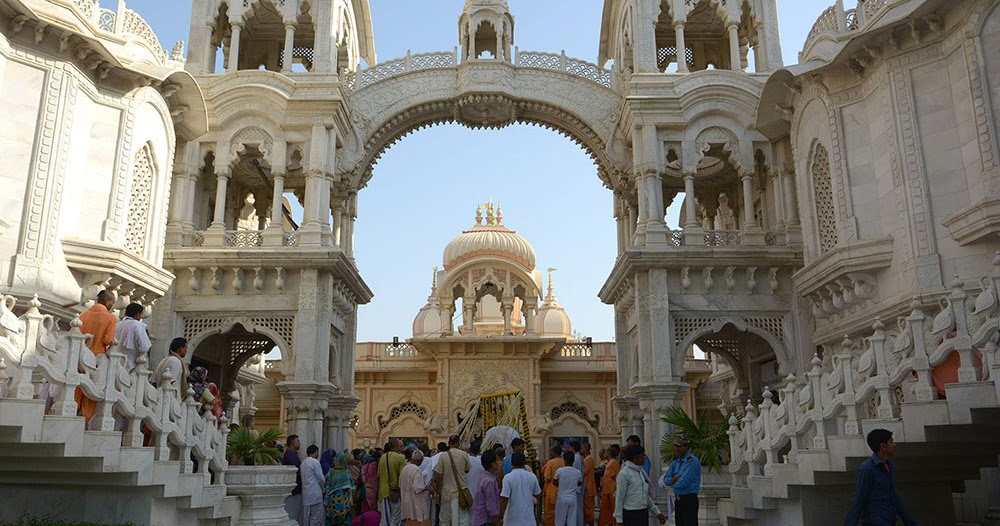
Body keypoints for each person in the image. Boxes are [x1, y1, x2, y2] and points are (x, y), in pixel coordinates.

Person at [843, 429, 919, 526]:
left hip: (889, 520)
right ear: (883, 446)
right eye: (891, 441)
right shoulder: (867, 469)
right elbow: (859, 500)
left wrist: (909, 521)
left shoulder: (890, 466)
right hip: (873, 521)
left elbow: (894, 496)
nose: (894, 445)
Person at [74, 290, 117, 426]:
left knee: (76, 386)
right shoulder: (110, 318)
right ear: (108, 302)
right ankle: (85, 420)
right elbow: (109, 339)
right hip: (96, 358)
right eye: (112, 303)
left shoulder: (84, 314)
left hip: (80, 356)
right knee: (91, 391)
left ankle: (72, 413)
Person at [613, 445, 665, 526]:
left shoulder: (640, 472)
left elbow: (645, 496)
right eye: (643, 455)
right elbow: (620, 496)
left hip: (643, 513)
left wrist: (657, 512)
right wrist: (619, 519)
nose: (644, 457)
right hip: (631, 514)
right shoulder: (624, 473)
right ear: (636, 458)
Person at [662, 435, 701, 526]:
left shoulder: (692, 461)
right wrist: (673, 479)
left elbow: (683, 483)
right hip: (678, 499)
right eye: (675, 446)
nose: (676, 448)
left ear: (686, 447)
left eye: (679, 446)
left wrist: (671, 482)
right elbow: (665, 479)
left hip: (689, 499)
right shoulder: (676, 461)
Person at [434, 434, 472, 526]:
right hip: (461, 493)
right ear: (458, 443)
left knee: (445, 519)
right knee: (463, 519)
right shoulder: (464, 455)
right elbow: (467, 470)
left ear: (449, 443)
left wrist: (438, 493)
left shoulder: (443, 456)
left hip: (446, 493)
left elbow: (439, 476)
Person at [499, 451, 541, 525]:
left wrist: (500, 516)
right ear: (524, 462)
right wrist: (538, 516)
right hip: (528, 519)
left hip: (512, 519)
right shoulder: (532, 476)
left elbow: (504, 499)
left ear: (512, 463)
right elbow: (538, 495)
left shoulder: (508, 478)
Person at [116, 302, 151, 373]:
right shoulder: (138, 325)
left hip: (115, 361)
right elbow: (145, 347)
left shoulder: (117, 325)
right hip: (131, 365)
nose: (141, 317)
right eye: (141, 314)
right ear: (138, 314)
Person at [378, 438, 406, 526]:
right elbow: (402, 476)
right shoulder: (401, 458)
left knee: (385, 518)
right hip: (394, 492)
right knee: (395, 517)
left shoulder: (383, 457)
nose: (402, 448)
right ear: (397, 446)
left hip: (383, 492)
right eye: (401, 446)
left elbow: (378, 474)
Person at [400, 449, 429, 526]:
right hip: (416, 502)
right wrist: (427, 488)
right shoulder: (416, 470)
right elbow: (418, 488)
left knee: (408, 522)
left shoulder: (404, 468)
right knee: (419, 521)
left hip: (406, 501)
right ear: (420, 459)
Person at [472, 450, 501, 526]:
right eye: (496, 461)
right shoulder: (489, 481)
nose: (498, 463)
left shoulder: (485, 477)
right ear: (493, 464)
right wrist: (497, 522)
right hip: (486, 520)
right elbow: (491, 505)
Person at [326, 451, 356, 525]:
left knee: (332, 520)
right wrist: (351, 501)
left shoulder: (331, 471)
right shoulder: (347, 473)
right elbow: (351, 488)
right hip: (344, 501)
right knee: (344, 520)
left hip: (332, 501)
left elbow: (326, 484)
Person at [554, 451, 582, 526]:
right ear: (573, 461)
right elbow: (580, 483)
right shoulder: (578, 472)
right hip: (572, 497)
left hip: (562, 497)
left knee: (559, 520)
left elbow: (554, 481)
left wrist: (562, 485)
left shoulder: (560, 471)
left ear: (564, 460)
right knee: (572, 520)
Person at [301, 445, 326, 526]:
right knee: (316, 518)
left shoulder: (303, 463)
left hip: (306, 495)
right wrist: (324, 489)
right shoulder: (315, 462)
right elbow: (321, 478)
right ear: (315, 452)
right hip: (315, 494)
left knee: (306, 518)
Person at [541, 446, 565, 526]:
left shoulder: (551, 462)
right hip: (562, 490)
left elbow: (547, 477)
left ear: (554, 452)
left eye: (551, 451)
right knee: (559, 513)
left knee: (549, 514)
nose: (550, 453)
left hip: (551, 491)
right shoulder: (564, 461)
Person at [597, 444, 621, 526]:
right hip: (606, 489)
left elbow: (618, 474)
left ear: (609, 453)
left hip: (611, 489)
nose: (604, 454)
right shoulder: (609, 462)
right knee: (606, 509)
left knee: (612, 508)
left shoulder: (614, 462)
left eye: (606, 452)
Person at [282, 435, 303, 524]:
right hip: (292, 490)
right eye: (297, 441)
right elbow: (296, 469)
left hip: (296, 489)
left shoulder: (293, 454)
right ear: (292, 443)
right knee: (292, 515)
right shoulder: (290, 454)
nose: (299, 443)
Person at [570, 440, 584, 526]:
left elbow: (574, 472)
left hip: (576, 486)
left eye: (570, 447)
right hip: (578, 485)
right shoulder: (579, 457)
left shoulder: (576, 458)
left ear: (573, 448)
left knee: (577, 508)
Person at [582, 442, 597, 525]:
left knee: (589, 509)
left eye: (582, 448)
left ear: (586, 449)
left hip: (588, 487)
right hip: (586, 487)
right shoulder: (585, 459)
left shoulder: (588, 459)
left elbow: (584, 472)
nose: (581, 450)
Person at [467, 440, 484, 506]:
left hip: (466, 493)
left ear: (469, 449)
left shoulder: (465, 460)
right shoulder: (481, 462)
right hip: (479, 494)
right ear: (479, 450)